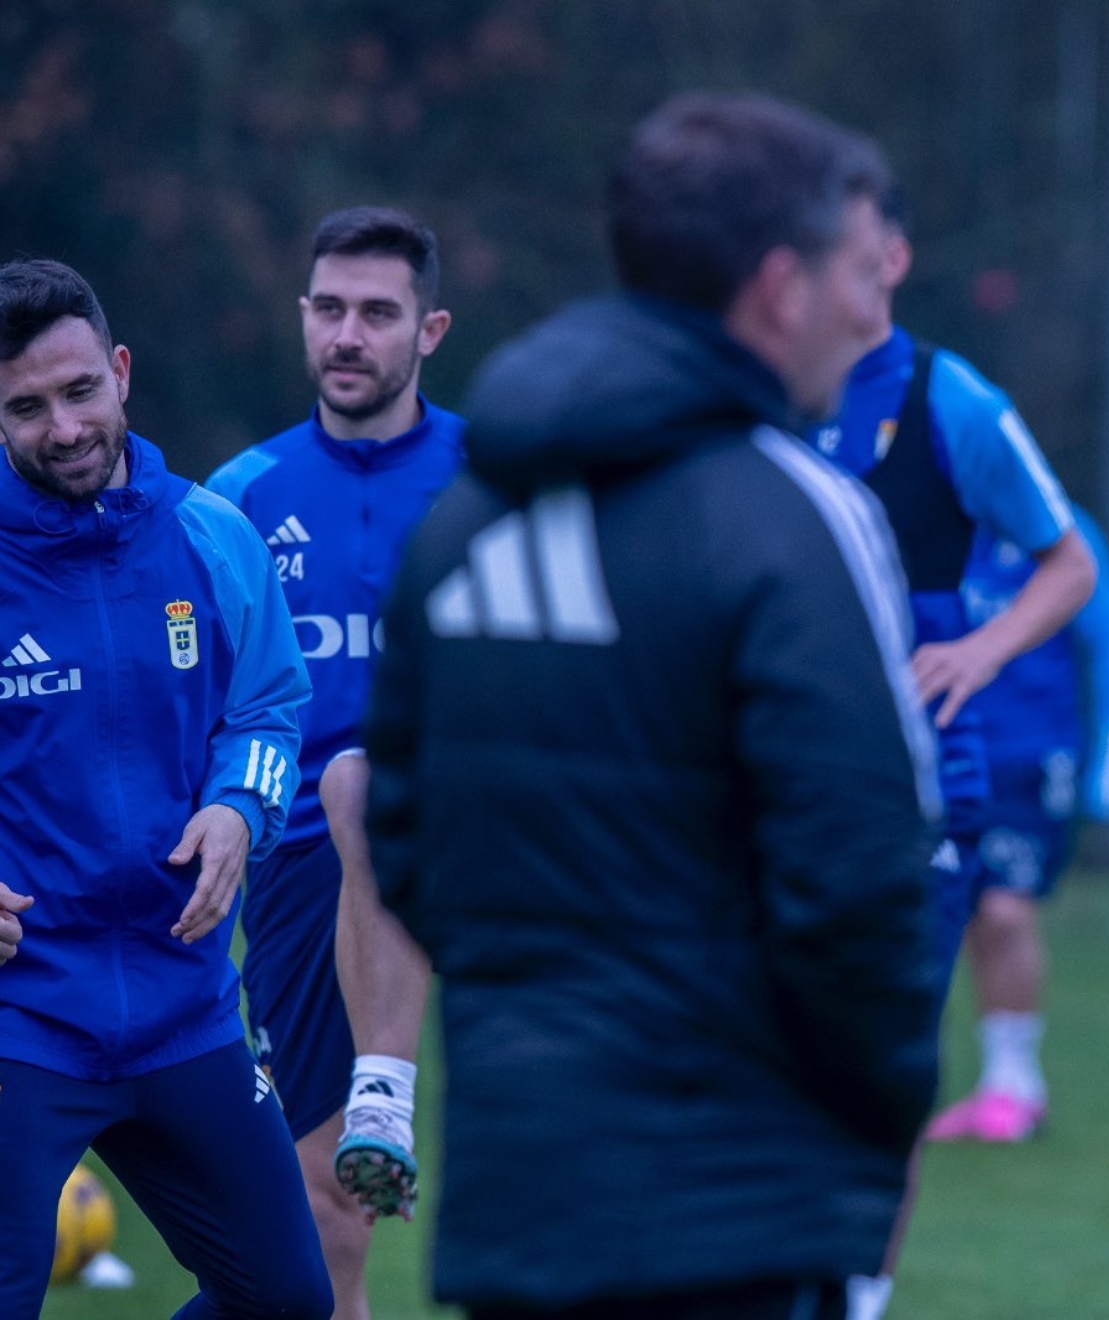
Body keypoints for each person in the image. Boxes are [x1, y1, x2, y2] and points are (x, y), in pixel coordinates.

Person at [364, 92, 945, 1320]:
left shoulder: (465, 518)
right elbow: (867, 879)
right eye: (852, 269)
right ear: (780, 288)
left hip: (520, 1194)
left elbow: (405, 838)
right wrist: (879, 1108)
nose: (866, 306)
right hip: (734, 1207)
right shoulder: (795, 514)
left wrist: (540, 1019)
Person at [0, 258, 331, 1319]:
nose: (62, 427)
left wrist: (241, 805)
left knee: (285, 1301)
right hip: (20, 1018)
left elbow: (271, 711)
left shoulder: (212, 537)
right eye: (26, 407)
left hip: (186, 1002)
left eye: (79, 390)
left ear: (123, 372)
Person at [805, 189, 1095, 1320]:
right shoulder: (757, 396)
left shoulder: (948, 398)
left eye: (853, 242)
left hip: (921, 795)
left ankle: (859, 1299)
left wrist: (976, 649)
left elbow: (1067, 565)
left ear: (894, 255)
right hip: (773, 792)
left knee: (883, 1071)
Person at [206, 206, 462, 1314]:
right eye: (329, 309)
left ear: (431, 330)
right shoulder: (236, 500)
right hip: (301, 866)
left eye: (378, 312)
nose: (347, 334)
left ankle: (385, 1091)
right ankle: (373, 1110)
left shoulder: (499, 479)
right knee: (320, 1212)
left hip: (486, 827)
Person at [925, 504, 1109, 1143]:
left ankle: (1014, 1084)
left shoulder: (1059, 527)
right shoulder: (922, 515)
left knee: (1004, 913)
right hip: (938, 752)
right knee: (941, 913)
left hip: (1031, 760)